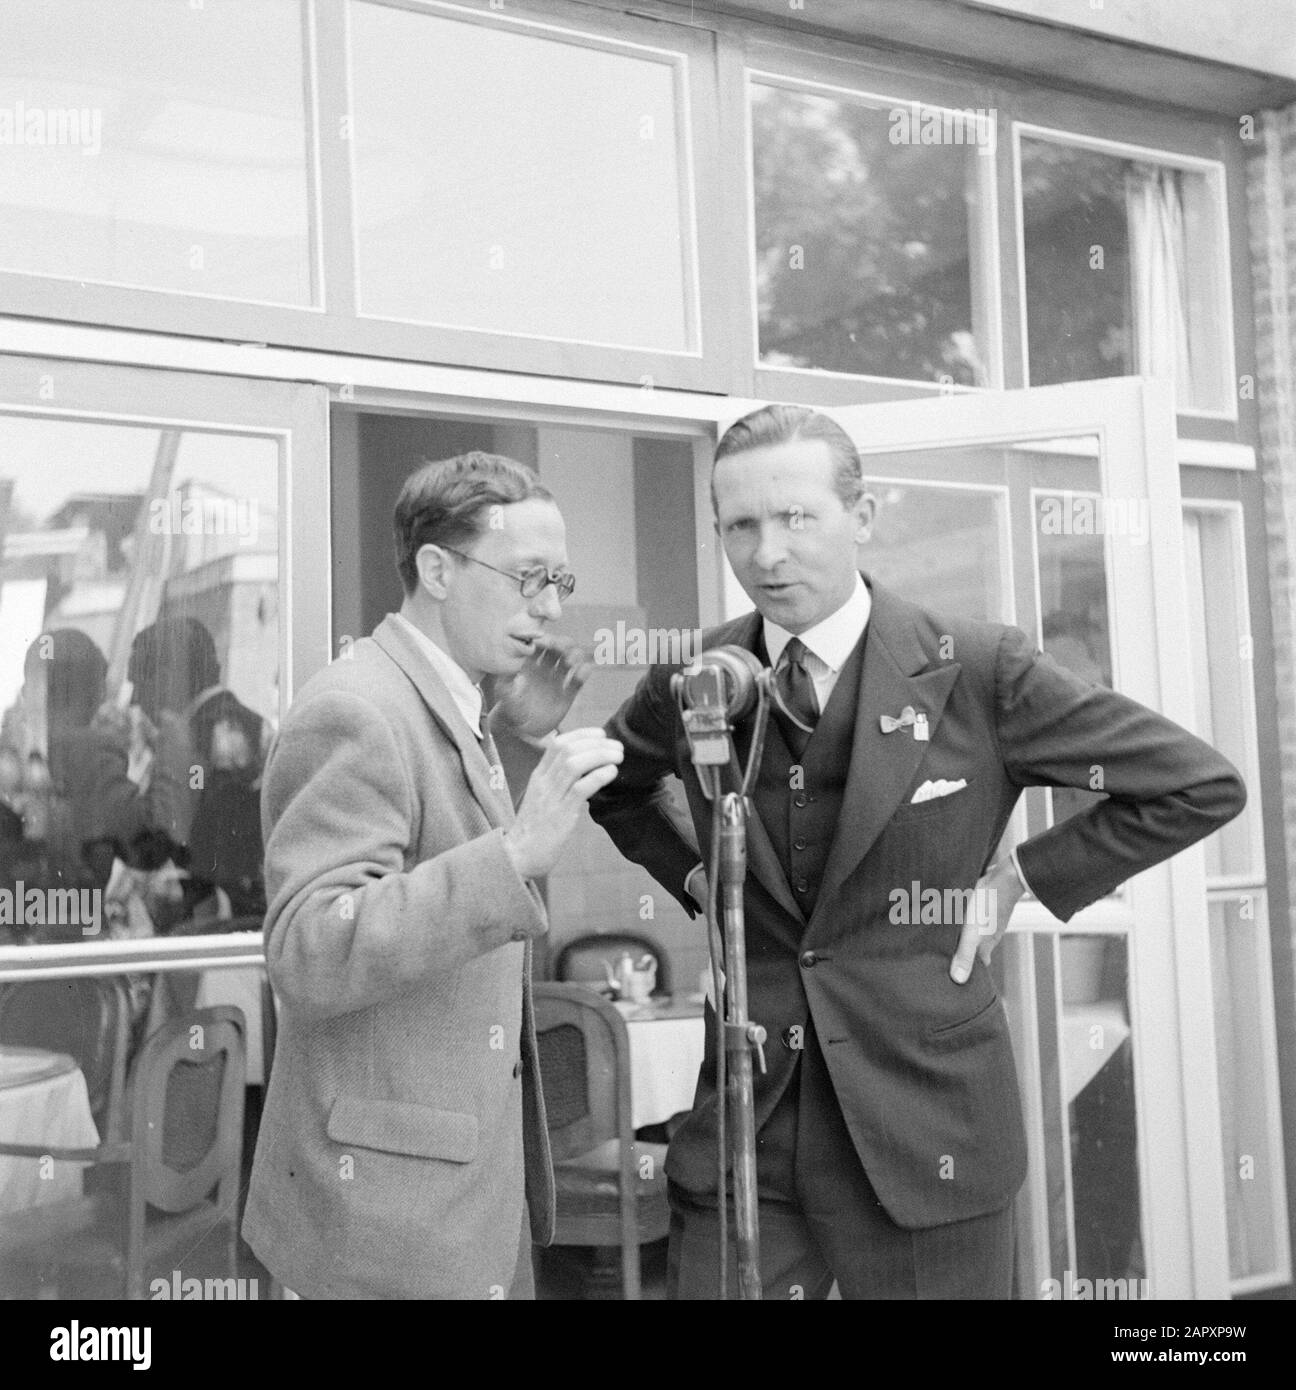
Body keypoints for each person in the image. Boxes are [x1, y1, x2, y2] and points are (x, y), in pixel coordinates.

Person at [589, 403, 1246, 1300]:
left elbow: (1197, 784)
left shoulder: (978, 668)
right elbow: (616, 787)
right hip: (748, 1134)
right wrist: (701, 879)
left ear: (862, 518)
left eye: (796, 518)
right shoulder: (701, 675)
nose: (768, 554)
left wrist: (1024, 876)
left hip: (927, 1133)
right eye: (741, 526)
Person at [242, 451, 623, 1299]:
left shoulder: (455, 705)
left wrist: (517, 751)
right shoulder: (357, 707)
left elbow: (444, 887)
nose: (552, 608)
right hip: (385, 1227)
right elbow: (309, 949)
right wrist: (516, 850)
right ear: (437, 570)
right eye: (528, 578)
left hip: (457, 1205)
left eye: (559, 579)